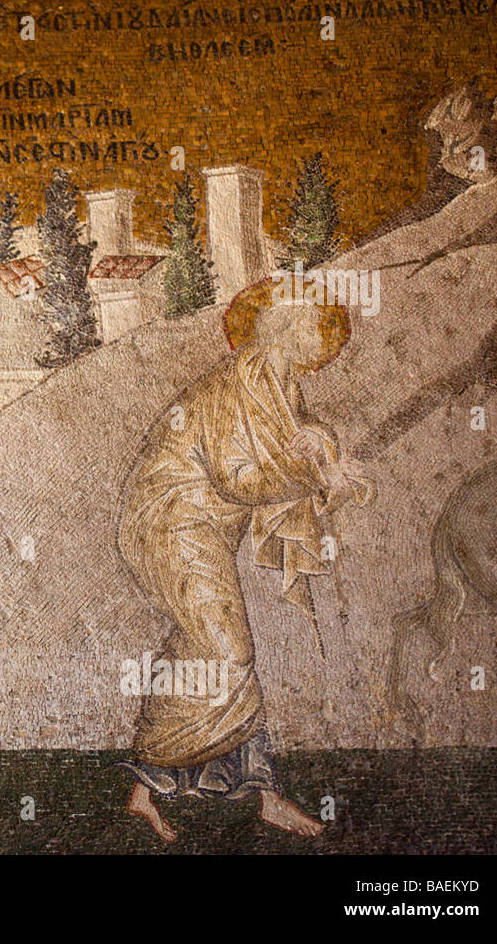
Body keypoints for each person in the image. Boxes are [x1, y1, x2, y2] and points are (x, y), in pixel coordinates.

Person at [115, 296, 373, 841]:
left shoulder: (278, 385)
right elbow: (241, 480)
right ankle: (255, 796)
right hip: (172, 520)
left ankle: (154, 791)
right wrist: (315, 474)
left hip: (205, 524)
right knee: (228, 649)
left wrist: (321, 449)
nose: (322, 337)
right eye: (310, 324)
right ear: (281, 327)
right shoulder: (239, 384)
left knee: (205, 646)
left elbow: (301, 435)